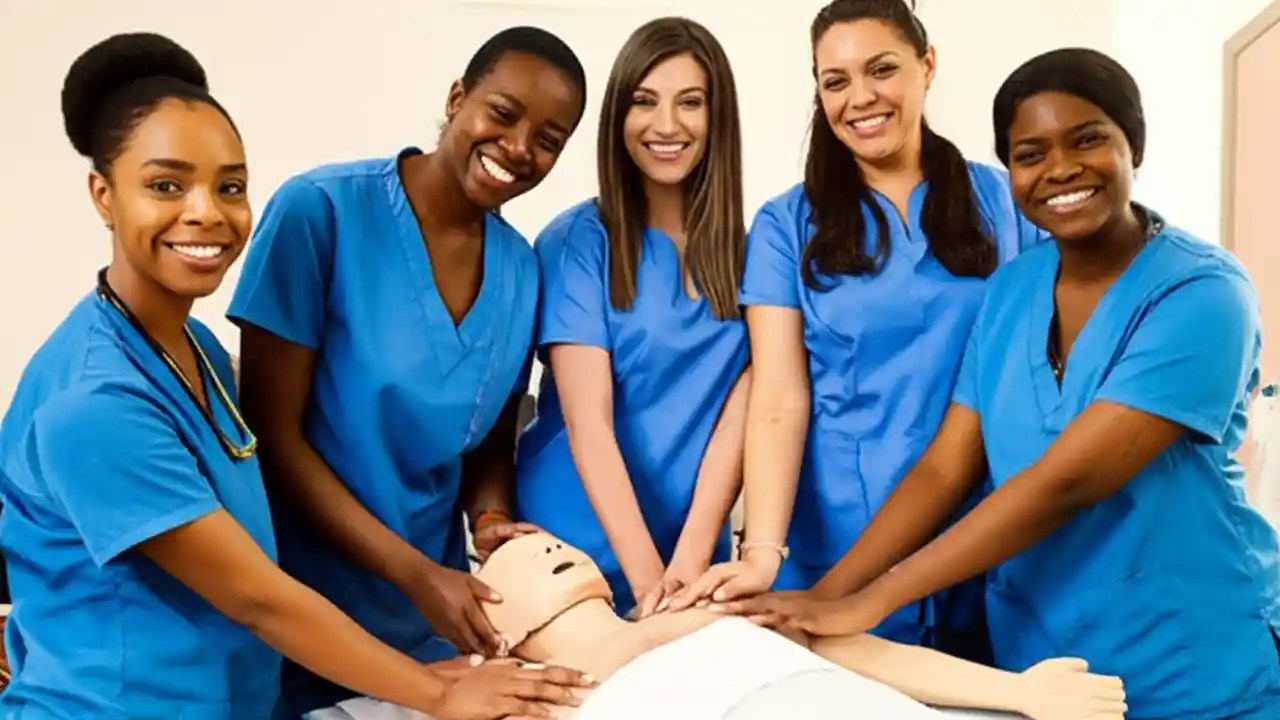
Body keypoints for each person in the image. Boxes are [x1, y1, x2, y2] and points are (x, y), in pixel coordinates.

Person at [0, 33, 593, 720]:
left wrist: (486, 530)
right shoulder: (93, 401)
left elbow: (484, 436)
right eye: (166, 185)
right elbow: (259, 597)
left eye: (229, 187)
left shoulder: (194, 350)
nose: (205, 212)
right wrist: (440, 691)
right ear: (103, 194)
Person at [715, 48, 1280, 719]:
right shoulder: (1013, 288)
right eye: (1030, 153)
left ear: (1135, 144)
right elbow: (945, 467)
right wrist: (827, 597)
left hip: (1186, 657)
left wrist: (873, 600)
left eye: (1088, 139)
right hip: (1036, 663)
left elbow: (1066, 481)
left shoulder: (1203, 291)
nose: (1060, 169)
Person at [227, 25, 589, 717]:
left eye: (549, 137)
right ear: (458, 98)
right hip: (303, 616)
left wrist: (488, 519)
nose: (519, 148)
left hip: (432, 631)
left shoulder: (520, 270)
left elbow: (485, 440)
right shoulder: (321, 212)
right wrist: (415, 573)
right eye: (503, 114)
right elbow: (270, 439)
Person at [674, 0, 1040, 657]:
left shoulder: (1007, 205)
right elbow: (780, 399)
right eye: (835, 81)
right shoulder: (787, 226)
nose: (860, 98)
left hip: (983, 544)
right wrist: (760, 552)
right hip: (838, 551)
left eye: (882, 69)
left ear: (927, 67)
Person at [315, 532, 1128, 720]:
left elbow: (850, 649)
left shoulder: (700, 616)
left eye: (553, 538)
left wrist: (1018, 692)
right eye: (525, 555)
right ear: (486, 635)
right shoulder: (515, 693)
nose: (548, 542)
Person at [514, 17, 750, 617]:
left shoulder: (752, 255)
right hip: (574, 551)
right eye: (644, 101)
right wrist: (649, 585)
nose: (666, 125)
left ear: (717, 116)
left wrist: (689, 565)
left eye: (689, 102)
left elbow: (738, 427)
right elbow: (589, 425)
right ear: (618, 117)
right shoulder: (578, 243)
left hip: (690, 554)